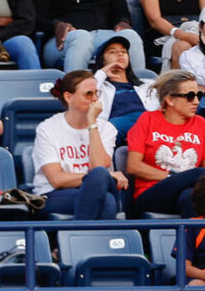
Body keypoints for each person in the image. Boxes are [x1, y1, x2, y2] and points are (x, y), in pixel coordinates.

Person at [32, 70, 128, 221]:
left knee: (101, 180)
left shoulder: (106, 128)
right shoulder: (47, 129)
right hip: (55, 195)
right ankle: (82, 240)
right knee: (107, 200)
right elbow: (57, 180)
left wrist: (92, 124)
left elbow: (99, 166)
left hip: (99, 190)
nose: (95, 99)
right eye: (88, 94)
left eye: (97, 93)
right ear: (69, 97)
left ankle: (75, 237)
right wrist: (99, 177)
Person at [35, 0, 140, 74]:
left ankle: (141, 87)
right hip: (60, 41)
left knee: (131, 36)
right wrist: (56, 25)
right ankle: (74, 88)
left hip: (101, 37)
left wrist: (122, 22)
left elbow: (121, 13)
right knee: (81, 37)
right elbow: (37, 18)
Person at [126, 70, 205, 216]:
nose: (196, 101)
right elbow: (133, 166)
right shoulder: (147, 120)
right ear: (170, 100)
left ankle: (191, 239)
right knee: (199, 174)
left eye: (198, 95)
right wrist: (175, 178)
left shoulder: (201, 124)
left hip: (188, 193)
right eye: (189, 96)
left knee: (190, 198)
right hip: (151, 193)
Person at [139, 0, 205, 71]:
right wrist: (182, 34)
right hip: (164, 35)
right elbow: (155, 20)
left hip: (195, 33)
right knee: (183, 47)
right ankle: (178, 87)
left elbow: (204, 15)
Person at [97, 35, 159, 137]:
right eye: (112, 52)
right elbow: (85, 94)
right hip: (117, 126)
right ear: (102, 60)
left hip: (149, 122)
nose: (120, 54)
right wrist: (102, 73)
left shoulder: (148, 84)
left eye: (124, 52)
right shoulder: (100, 86)